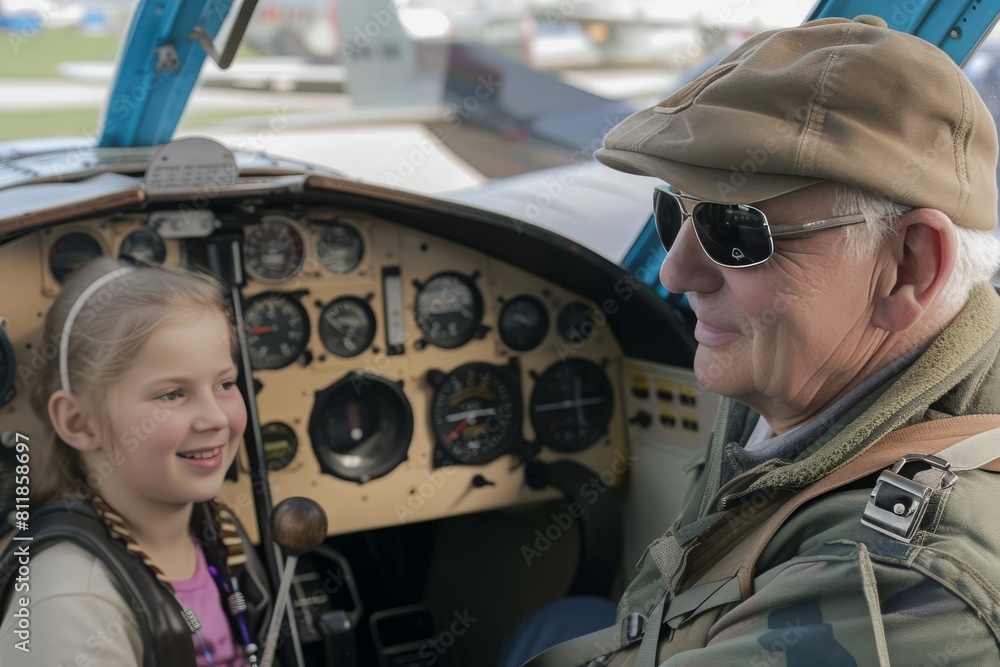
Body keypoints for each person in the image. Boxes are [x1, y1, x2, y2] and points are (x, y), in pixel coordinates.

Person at [506, 14, 1000, 666]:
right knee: (556, 621)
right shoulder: (804, 372)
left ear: (910, 266)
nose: (675, 272)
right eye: (672, 212)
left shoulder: (905, 585)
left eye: (734, 230)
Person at [0, 258, 270, 666]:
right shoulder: (69, 602)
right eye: (172, 394)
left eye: (225, 384)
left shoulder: (218, 528)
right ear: (79, 422)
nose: (216, 418)